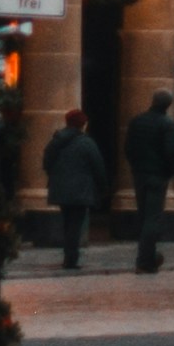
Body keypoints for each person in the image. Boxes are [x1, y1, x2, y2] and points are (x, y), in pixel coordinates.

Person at [122, 86, 174, 276]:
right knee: (152, 218)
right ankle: (144, 261)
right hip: (157, 176)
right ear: (168, 105)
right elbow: (170, 153)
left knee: (144, 216)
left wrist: (136, 166)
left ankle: (148, 259)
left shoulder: (137, 121)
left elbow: (128, 148)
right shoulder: (167, 124)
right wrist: (170, 173)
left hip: (140, 174)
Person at [43, 107, 107, 275]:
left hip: (61, 189)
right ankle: (71, 259)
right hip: (80, 190)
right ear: (82, 125)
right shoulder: (86, 143)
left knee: (67, 223)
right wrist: (103, 187)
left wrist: (56, 177)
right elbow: (98, 167)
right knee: (75, 226)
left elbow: (46, 162)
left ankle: (68, 256)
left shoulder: (56, 140)